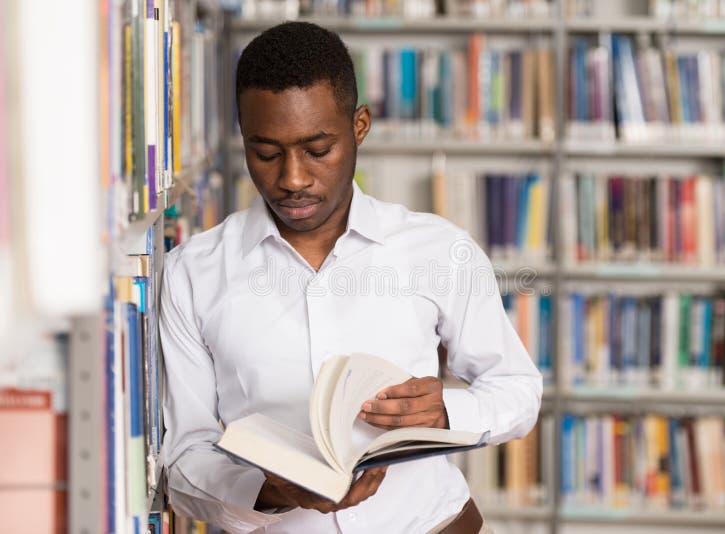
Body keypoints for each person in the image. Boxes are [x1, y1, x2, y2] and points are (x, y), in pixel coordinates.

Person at [160, 21, 543, 534]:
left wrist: (446, 411)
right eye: (266, 152)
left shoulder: (438, 249)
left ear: (359, 125)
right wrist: (268, 491)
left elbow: (518, 391)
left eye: (318, 150)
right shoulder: (193, 273)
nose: (292, 178)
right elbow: (182, 459)